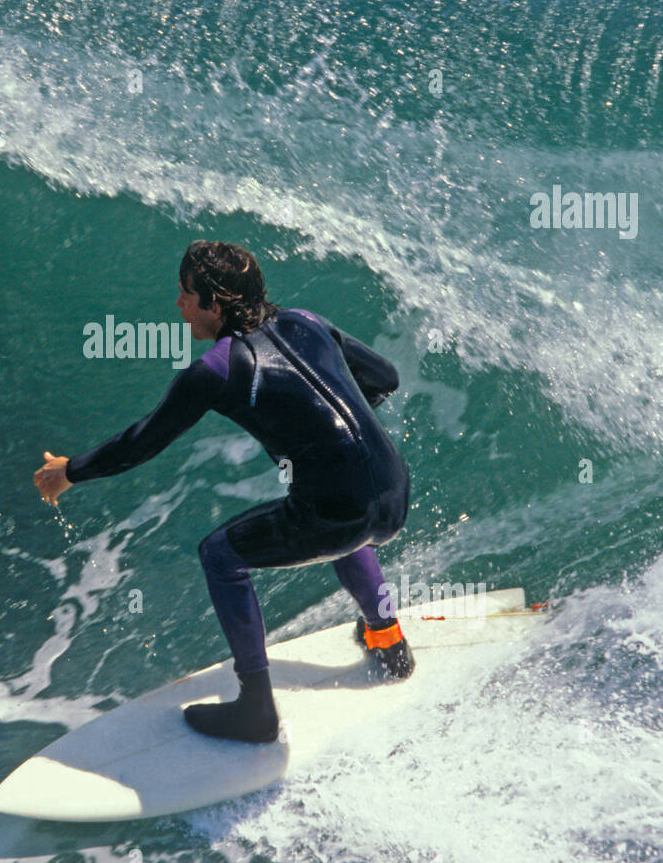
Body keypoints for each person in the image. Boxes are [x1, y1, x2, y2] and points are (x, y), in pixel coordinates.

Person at [33, 239, 413, 744]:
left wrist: (69, 470)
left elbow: (141, 444)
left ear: (215, 304)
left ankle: (256, 710)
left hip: (338, 513)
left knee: (220, 554)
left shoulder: (216, 369)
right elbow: (384, 378)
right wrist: (334, 439)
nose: (179, 305)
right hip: (394, 493)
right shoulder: (306, 320)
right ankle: (390, 644)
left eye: (186, 295)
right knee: (348, 528)